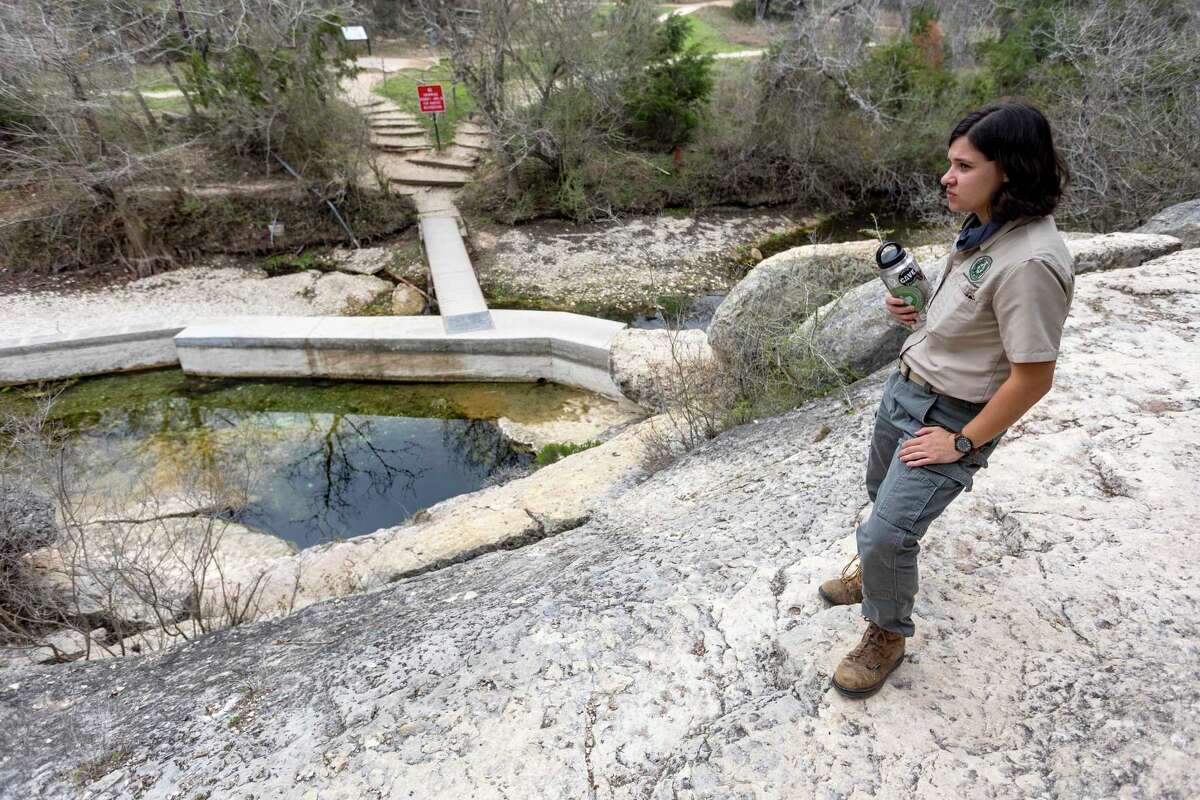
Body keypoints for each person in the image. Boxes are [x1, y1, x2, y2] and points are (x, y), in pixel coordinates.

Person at [818, 101, 1074, 698]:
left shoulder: (1033, 261)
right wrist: (920, 313)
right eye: (948, 163)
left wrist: (961, 442)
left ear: (1007, 169)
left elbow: (1033, 378)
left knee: (888, 532)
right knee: (882, 498)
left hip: (952, 416)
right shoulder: (986, 224)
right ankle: (878, 579)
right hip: (907, 387)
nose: (946, 177)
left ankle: (886, 633)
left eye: (963, 165)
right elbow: (972, 314)